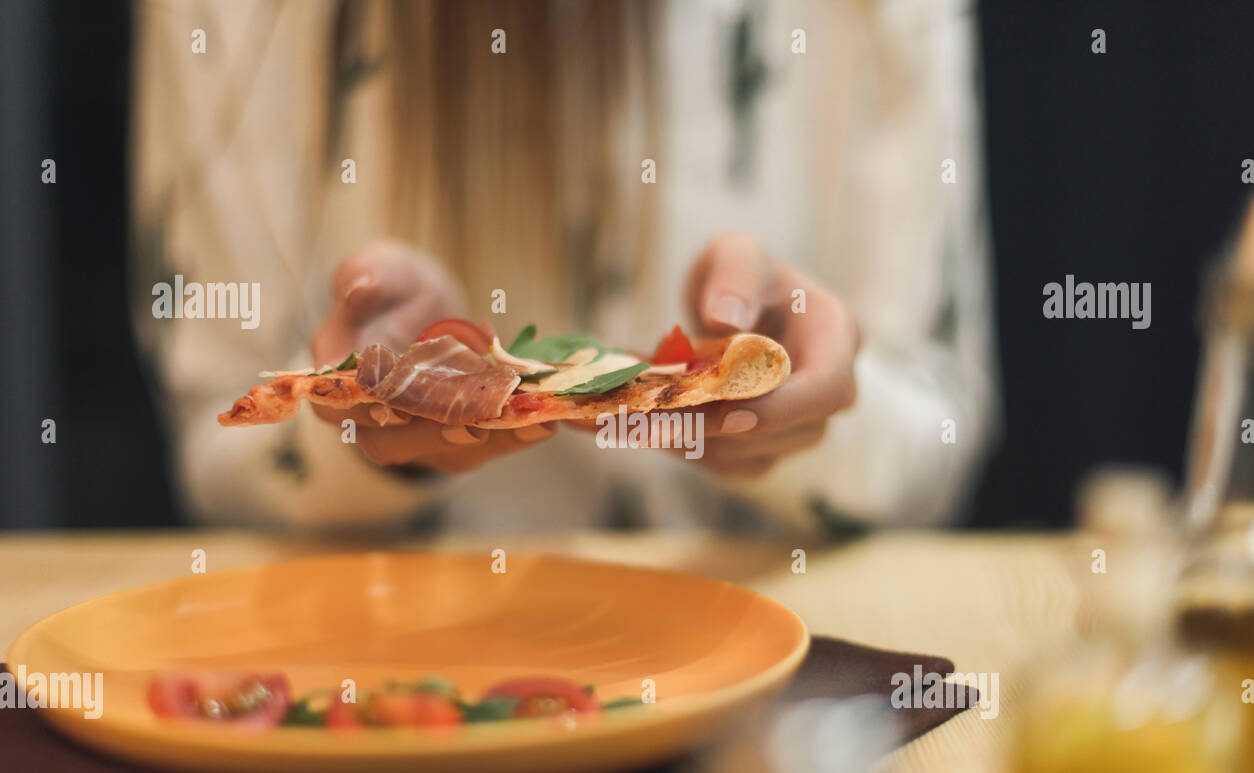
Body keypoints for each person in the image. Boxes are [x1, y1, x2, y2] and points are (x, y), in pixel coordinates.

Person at [132, 0, 999, 534]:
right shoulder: (239, 18)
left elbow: (939, 437)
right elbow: (219, 443)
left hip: (765, 681)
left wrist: (814, 410)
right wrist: (349, 428)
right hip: (388, 668)